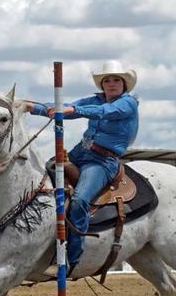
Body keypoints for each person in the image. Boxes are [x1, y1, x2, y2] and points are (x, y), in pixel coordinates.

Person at [25, 60, 139, 273]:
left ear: (124, 84)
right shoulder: (95, 100)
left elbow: (105, 111)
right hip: (81, 152)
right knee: (42, 178)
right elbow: (64, 108)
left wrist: (73, 109)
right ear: (102, 84)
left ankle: (71, 259)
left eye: (116, 80)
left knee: (79, 200)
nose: (111, 84)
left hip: (103, 161)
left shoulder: (128, 103)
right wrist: (33, 107)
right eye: (107, 80)